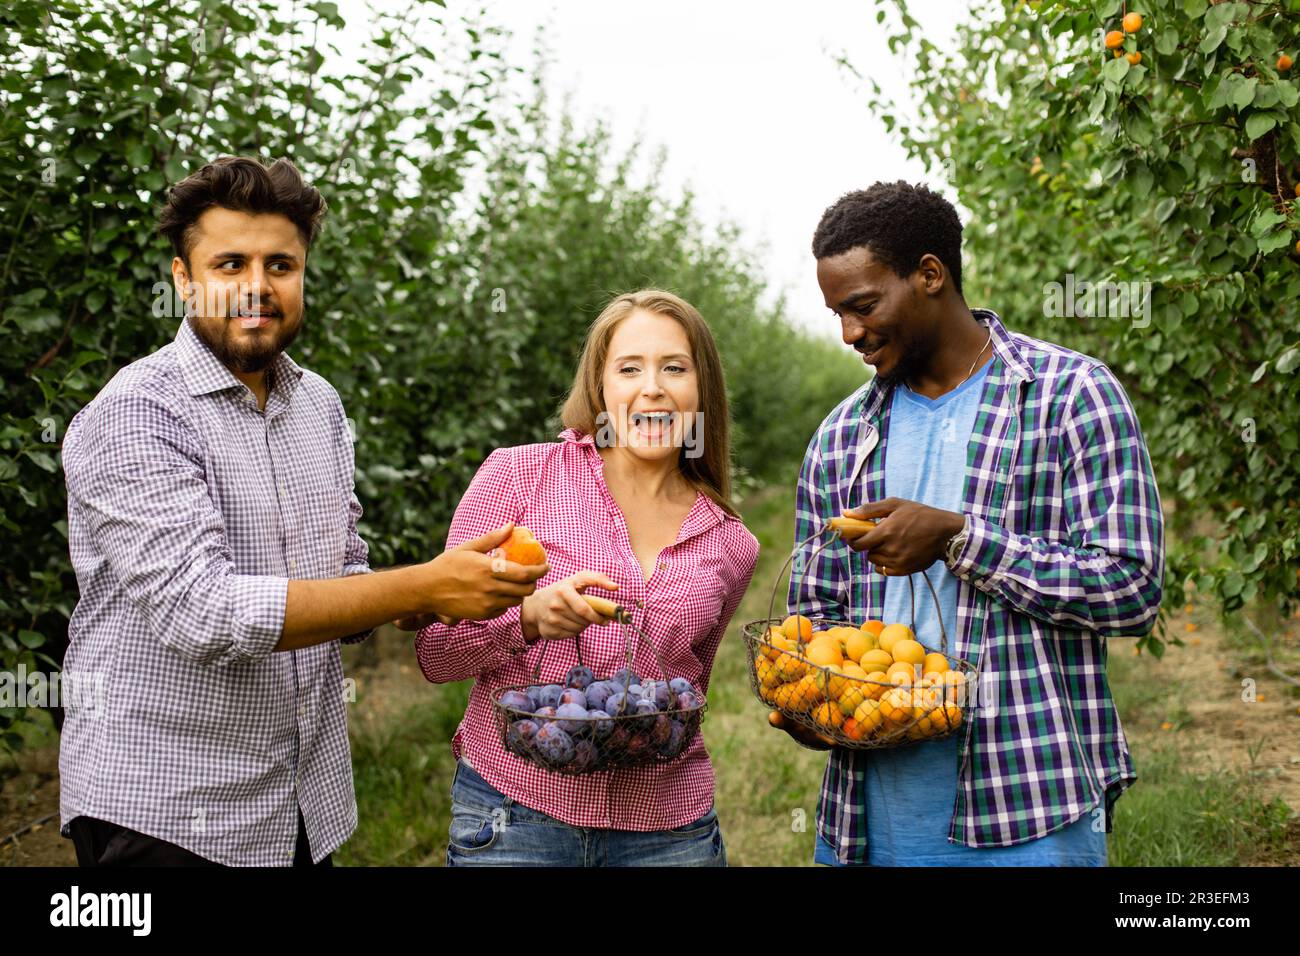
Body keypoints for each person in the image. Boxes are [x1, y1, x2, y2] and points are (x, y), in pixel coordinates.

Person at [59, 155, 546, 867]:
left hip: (296, 800)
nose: (257, 287)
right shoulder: (137, 412)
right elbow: (205, 614)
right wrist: (420, 584)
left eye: (280, 265)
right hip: (165, 816)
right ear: (183, 280)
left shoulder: (317, 405)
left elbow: (342, 570)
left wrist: (435, 595)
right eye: (229, 265)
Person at [770, 181, 1164, 866]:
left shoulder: (1070, 397)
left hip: (1030, 805)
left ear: (930, 275)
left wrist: (959, 538)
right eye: (837, 314)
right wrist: (814, 709)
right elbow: (814, 615)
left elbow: (1131, 588)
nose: (850, 333)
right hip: (873, 819)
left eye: (863, 307)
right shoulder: (839, 439)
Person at [414, 289, 758, 867]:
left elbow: (687, 693)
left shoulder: (730, 541)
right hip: (514, 816)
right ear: (600, 388)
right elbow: (437, 654)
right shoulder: (521, 476)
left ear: (702, 389)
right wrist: (526, 620)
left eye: (674, 367)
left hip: (667, 833)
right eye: (629, 368)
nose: (652, 387)